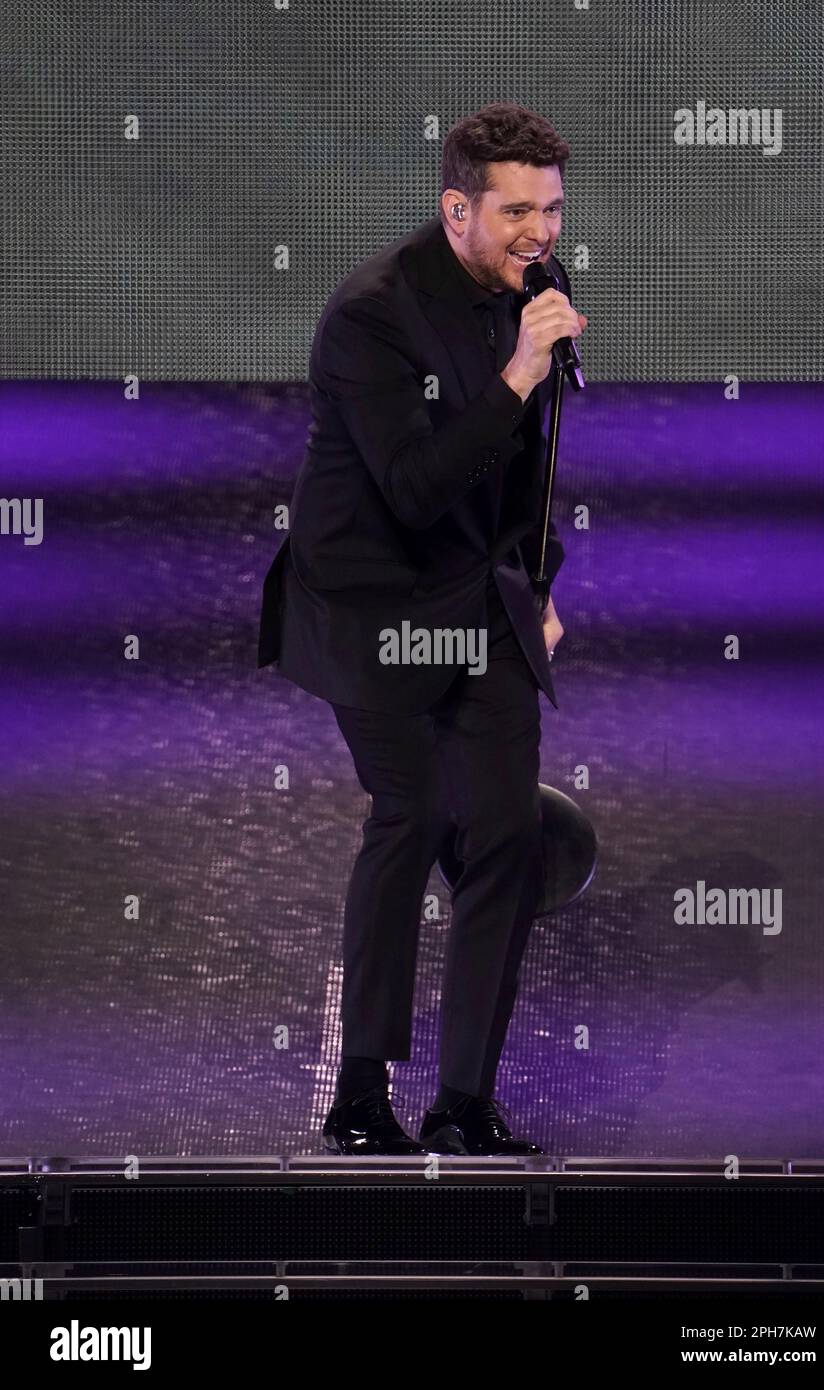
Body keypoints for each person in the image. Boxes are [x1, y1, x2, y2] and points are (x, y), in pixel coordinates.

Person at [258, 102, 587, 1155]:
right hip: (371, 605)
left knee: (503, 834)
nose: (539, 232)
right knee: (408, 816)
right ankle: (361, 1092)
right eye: (515, 212)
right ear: (457, 210)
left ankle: (463, 1099)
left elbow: (530, 469)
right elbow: (407, 488)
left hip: (474, 597)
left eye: (550, 209)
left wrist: (536, 584)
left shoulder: (537, 293)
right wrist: (513, 377)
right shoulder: (371, 316)